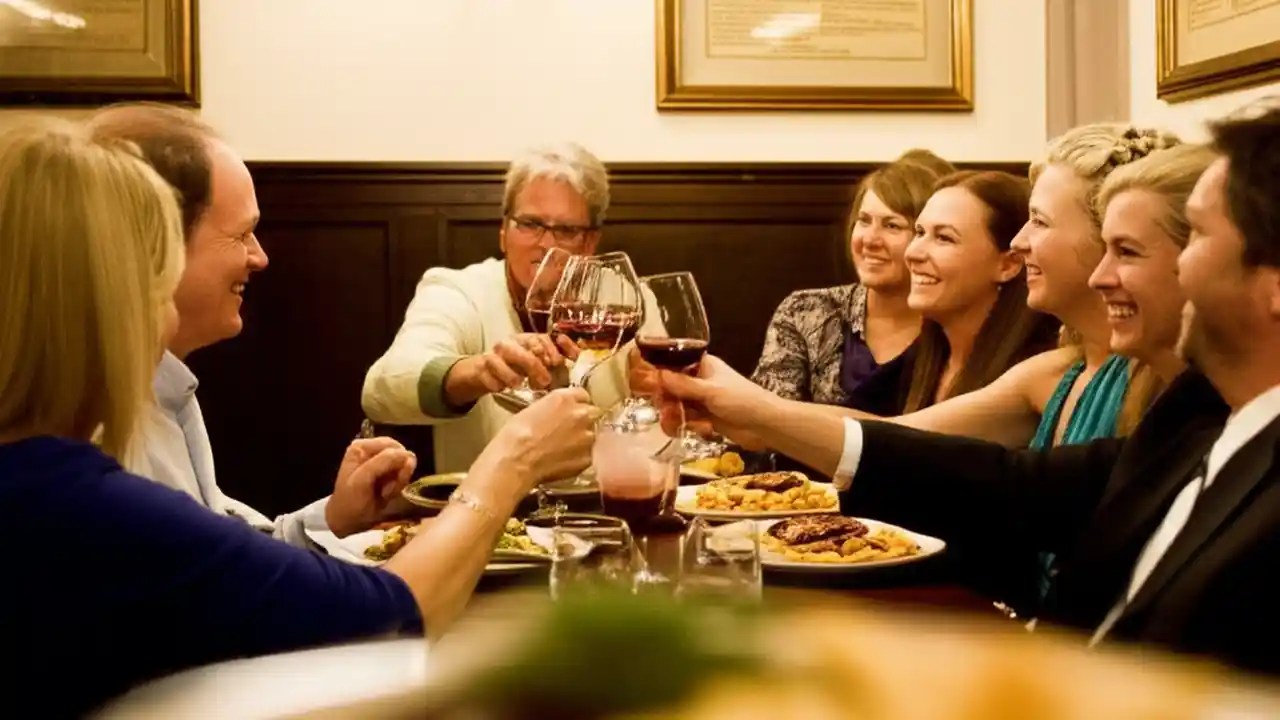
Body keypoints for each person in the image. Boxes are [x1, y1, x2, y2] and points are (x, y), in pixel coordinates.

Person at [0, 117, 598, 716]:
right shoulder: (77, 498)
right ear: (104, 285)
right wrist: (513, 460)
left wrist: (333, 518)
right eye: (152, 264)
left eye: (569, 229)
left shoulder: (130, 416)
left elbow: (215, 562)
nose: (260, 257)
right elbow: (389, 620)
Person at [655, 103, 1280, 675]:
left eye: (1192, 239)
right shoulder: (1192, 418)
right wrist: (753, 413)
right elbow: (1002, 481)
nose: (1101, 276)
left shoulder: (1185, 409)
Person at [87, 103, 406, 545]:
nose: (260, 257)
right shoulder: (96, 426)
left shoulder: (163, 383)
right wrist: (487, 488)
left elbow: (221, 549)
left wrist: (335, 516)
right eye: (241, 234)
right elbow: (212, 583)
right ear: (156, 244)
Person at [362, 143, 633, 472]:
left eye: (566, 230)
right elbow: (382, 390)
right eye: (530, 224)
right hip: (488, 503)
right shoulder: (459, 291)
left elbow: (667, 412)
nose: (547, 244)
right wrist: (479, 372)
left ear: (589, 243)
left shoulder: (623, 299)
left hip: (608, 502)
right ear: (504, 231)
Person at [751, 156, 945, 413]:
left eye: (892, 225)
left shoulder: (951, 325)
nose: (870, 240)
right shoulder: (806, 310)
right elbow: (765, 418)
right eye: (864, 221)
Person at [895, 170, 1058, 411]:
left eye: (944, 238)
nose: (913, 253)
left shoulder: (1039, 370)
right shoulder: (922, 357)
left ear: (1008, 265)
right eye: (919, 233)